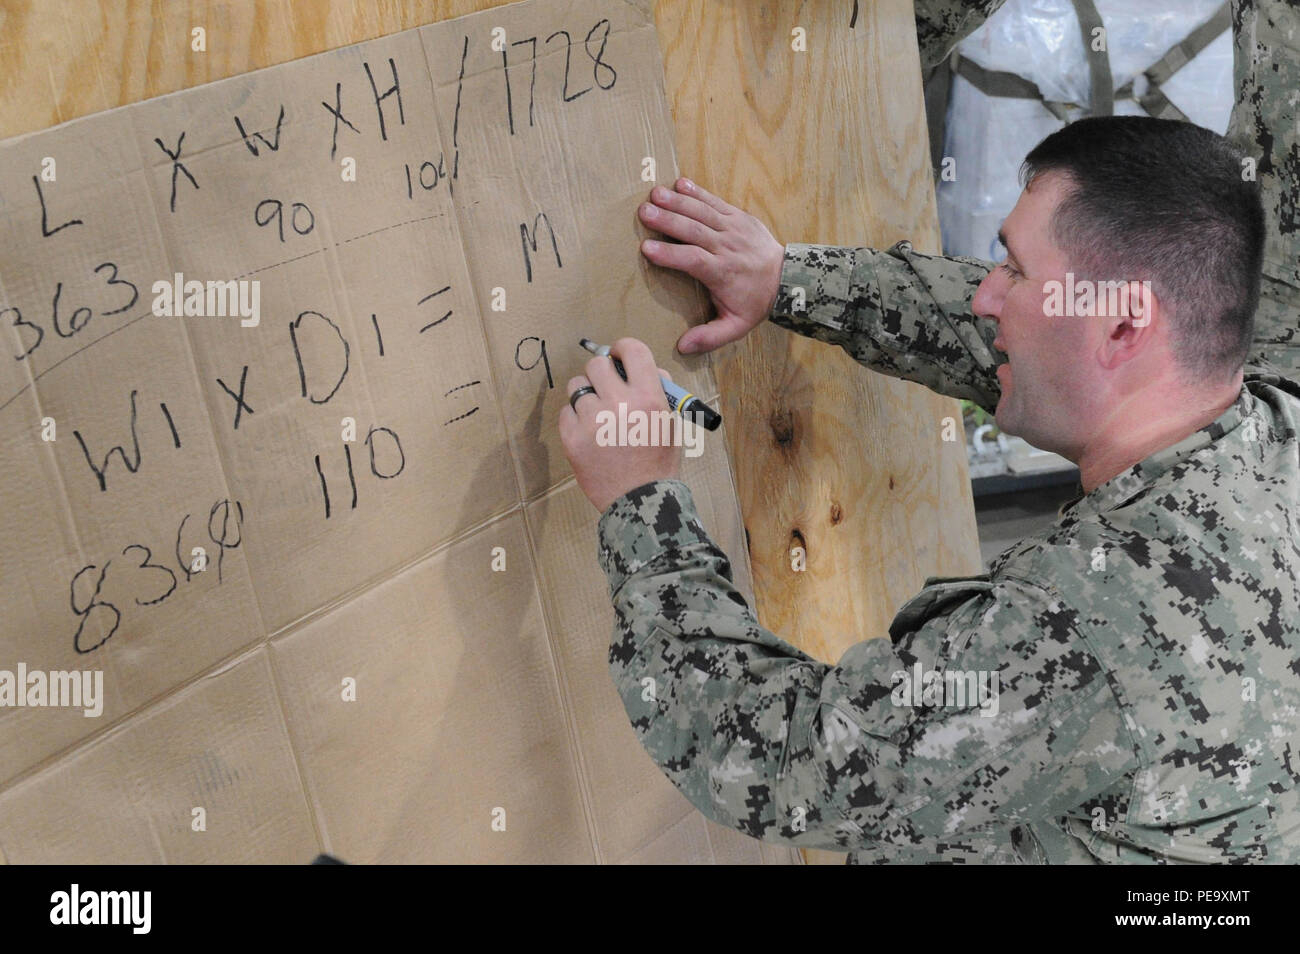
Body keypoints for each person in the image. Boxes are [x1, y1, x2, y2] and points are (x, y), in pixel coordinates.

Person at [557, 115, 1300, 863]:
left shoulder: (1091, 624)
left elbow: (780, 759)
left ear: (1122, 327)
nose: (986, 299)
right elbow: (1030, 350)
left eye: (1013, 270)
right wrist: (793, 279)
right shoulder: (1268, 423)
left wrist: (642, 505)